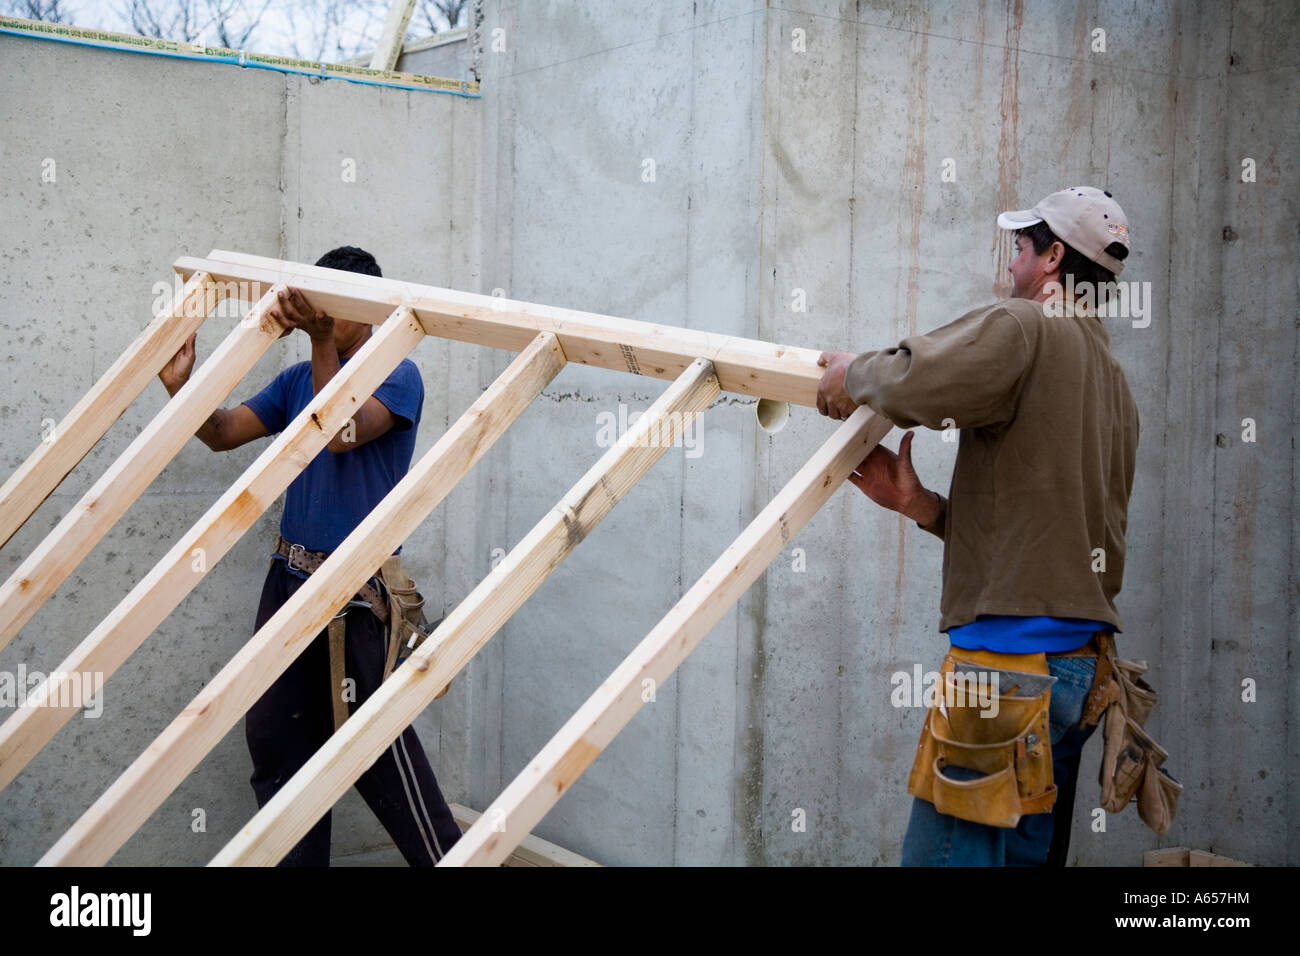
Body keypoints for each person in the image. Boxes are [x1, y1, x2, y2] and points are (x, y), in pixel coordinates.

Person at [815, 187, 1139, 866]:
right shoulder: (1113, 382)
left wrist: (854, 374)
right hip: (1076, 676)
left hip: (1005, 673)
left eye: (1021, 248)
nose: (1012, 263)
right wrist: (922, 506)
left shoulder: (1026, 326)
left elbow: (911, 381)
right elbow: (1048, 534)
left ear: (1052, 258)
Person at [158, 245, 462, 866]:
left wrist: (322, 341)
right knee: (278, 744)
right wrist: (181, 389)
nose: (324, 313)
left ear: (372, 314)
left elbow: (341, 432)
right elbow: (222, 434)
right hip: (289, 582)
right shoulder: (299, 379)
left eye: (337, 306)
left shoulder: (397, 374)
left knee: (378, 754)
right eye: (319, 299)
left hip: (353, 597)